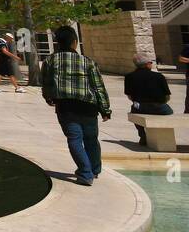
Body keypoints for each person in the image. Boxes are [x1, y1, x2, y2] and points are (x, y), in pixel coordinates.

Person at [41, 25, 112, 186]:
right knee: (91, 139)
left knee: (74, 139)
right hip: (89, 107)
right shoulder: (87, 61)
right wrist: (105, 109)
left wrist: (49, 98)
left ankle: (85, 173)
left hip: (66, 107)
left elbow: (45, 83)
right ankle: (94, 169)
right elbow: (98, 87)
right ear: (74, 42)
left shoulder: (50, 60)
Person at [124, 51, 172, 146]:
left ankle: (143, 135)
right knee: (169, 112)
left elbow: (129, 96)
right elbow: (167, 96)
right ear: (147, 64)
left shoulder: (129, 77)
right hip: (158, 107)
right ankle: (163, 136)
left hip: (139, 107)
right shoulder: (159, 76)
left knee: (134, 109)